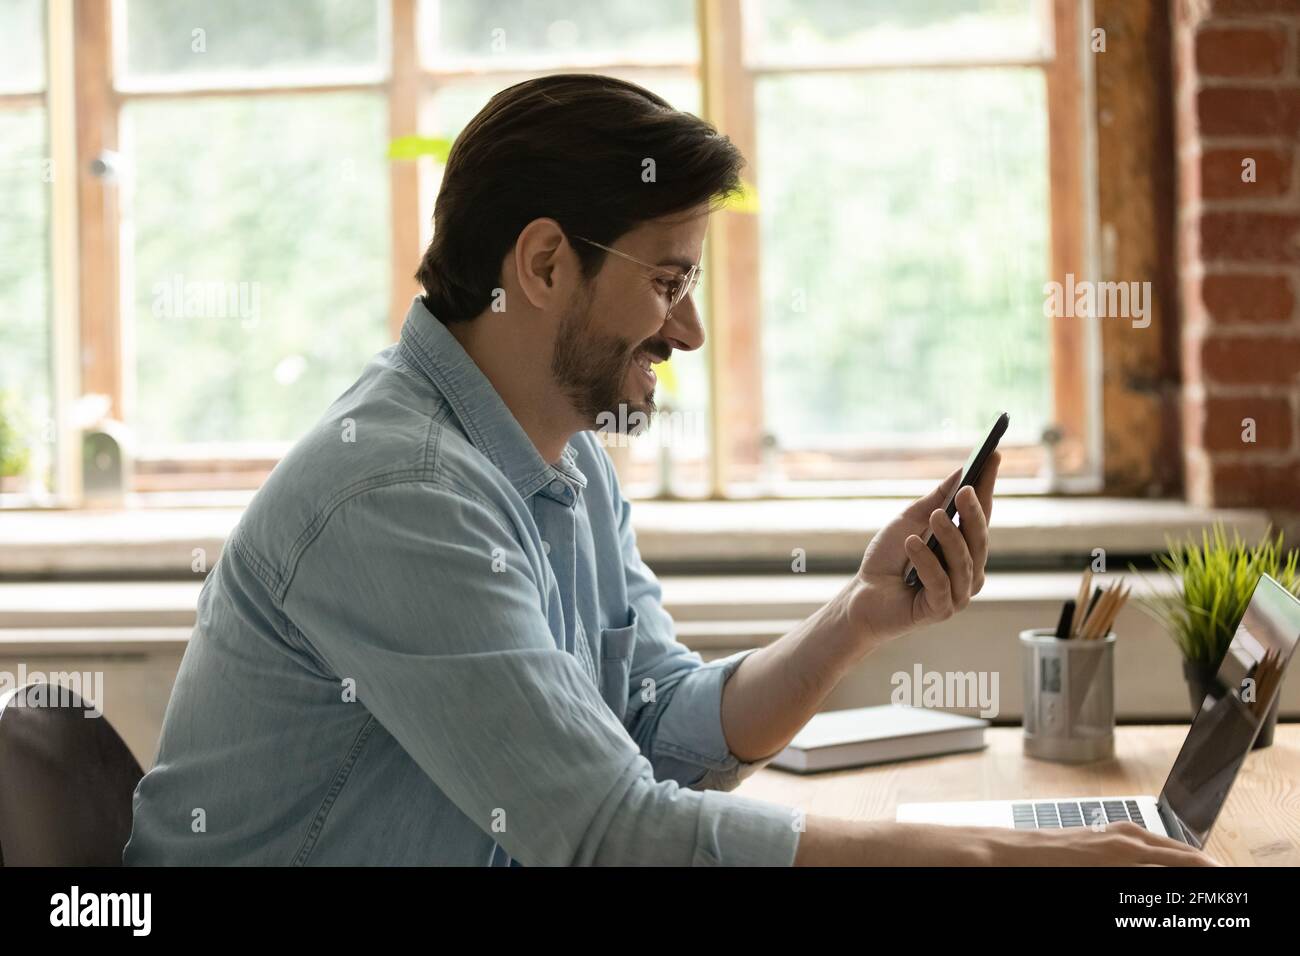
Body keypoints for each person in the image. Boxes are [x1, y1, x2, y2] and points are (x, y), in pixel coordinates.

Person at [125, 73, 1215, 867]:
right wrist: (988, 861)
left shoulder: (565, 461)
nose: (688, 330)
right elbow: (609, 832)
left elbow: (654, 727)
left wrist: (855, 618)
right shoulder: (398, 496)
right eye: (666, 280)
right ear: (545, 264)